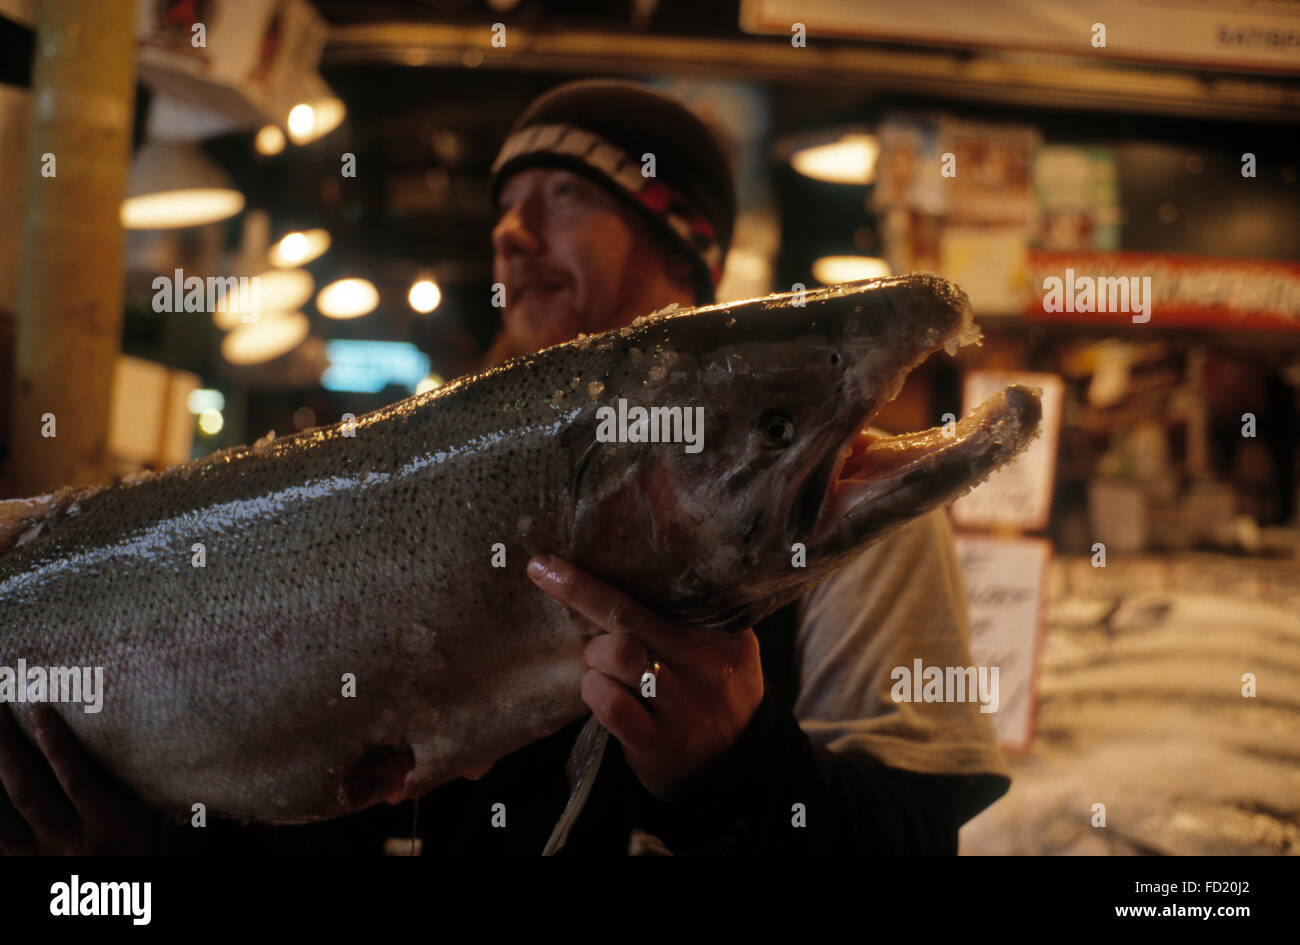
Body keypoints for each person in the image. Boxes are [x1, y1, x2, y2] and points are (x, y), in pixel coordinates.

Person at [0, 79, 1009, 856]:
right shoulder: (398, 460)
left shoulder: (830, 499)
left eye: (567, 197)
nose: (512, 235)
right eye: (506, 205)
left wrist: (737, 769)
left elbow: (916, 842)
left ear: (684, 252)